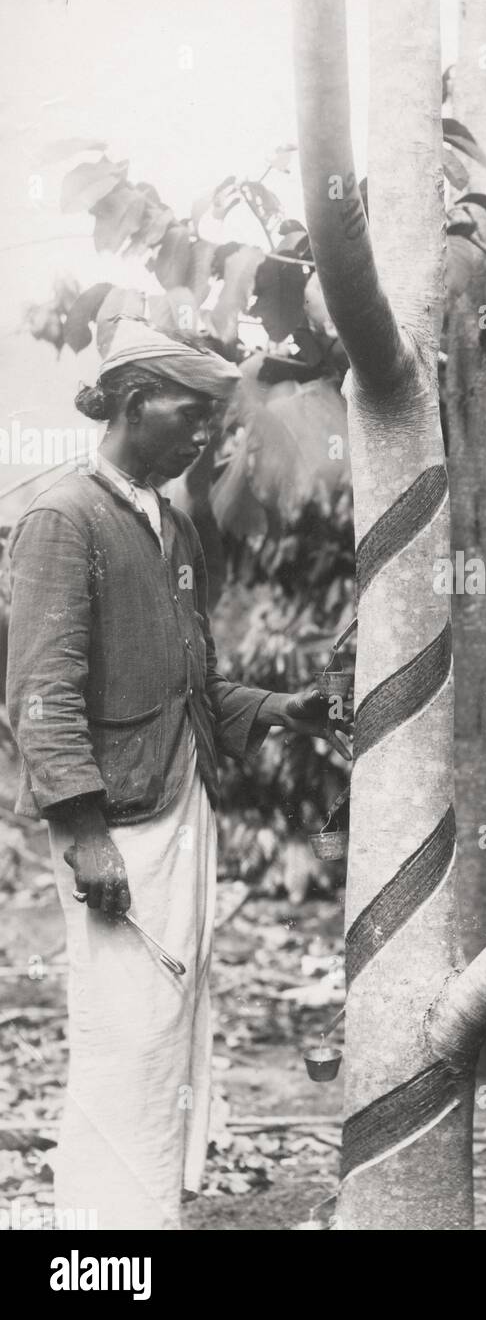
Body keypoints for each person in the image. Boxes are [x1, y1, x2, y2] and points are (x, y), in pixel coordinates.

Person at [5, 318, 350, 1230]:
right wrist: (83, 833)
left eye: (212, 415)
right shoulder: (62, 518)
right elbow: (40, 693)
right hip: (118, 816)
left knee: (167, 1020)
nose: (206, 432)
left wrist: (281, 710)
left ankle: (146, 1215)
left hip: (176, 796)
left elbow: (191, 687)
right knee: (125, 1031)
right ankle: (101, 1238)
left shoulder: (172, 526)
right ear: (127, 403)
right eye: (188, 411)